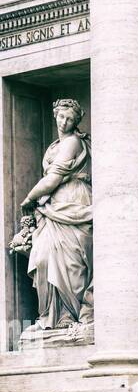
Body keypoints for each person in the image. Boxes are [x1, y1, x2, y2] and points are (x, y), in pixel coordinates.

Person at [18, 97, 93, 335]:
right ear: (55, 115)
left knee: (71, 262)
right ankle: (49, 315)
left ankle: (69, 316)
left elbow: (53, 178)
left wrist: (29, 198)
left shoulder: (72, 142)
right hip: (52, 207)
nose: (64, 122)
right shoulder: (53, 146)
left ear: (76, 122)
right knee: (43, 259)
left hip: (73, 202)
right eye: (61, 116)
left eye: (70, 119)